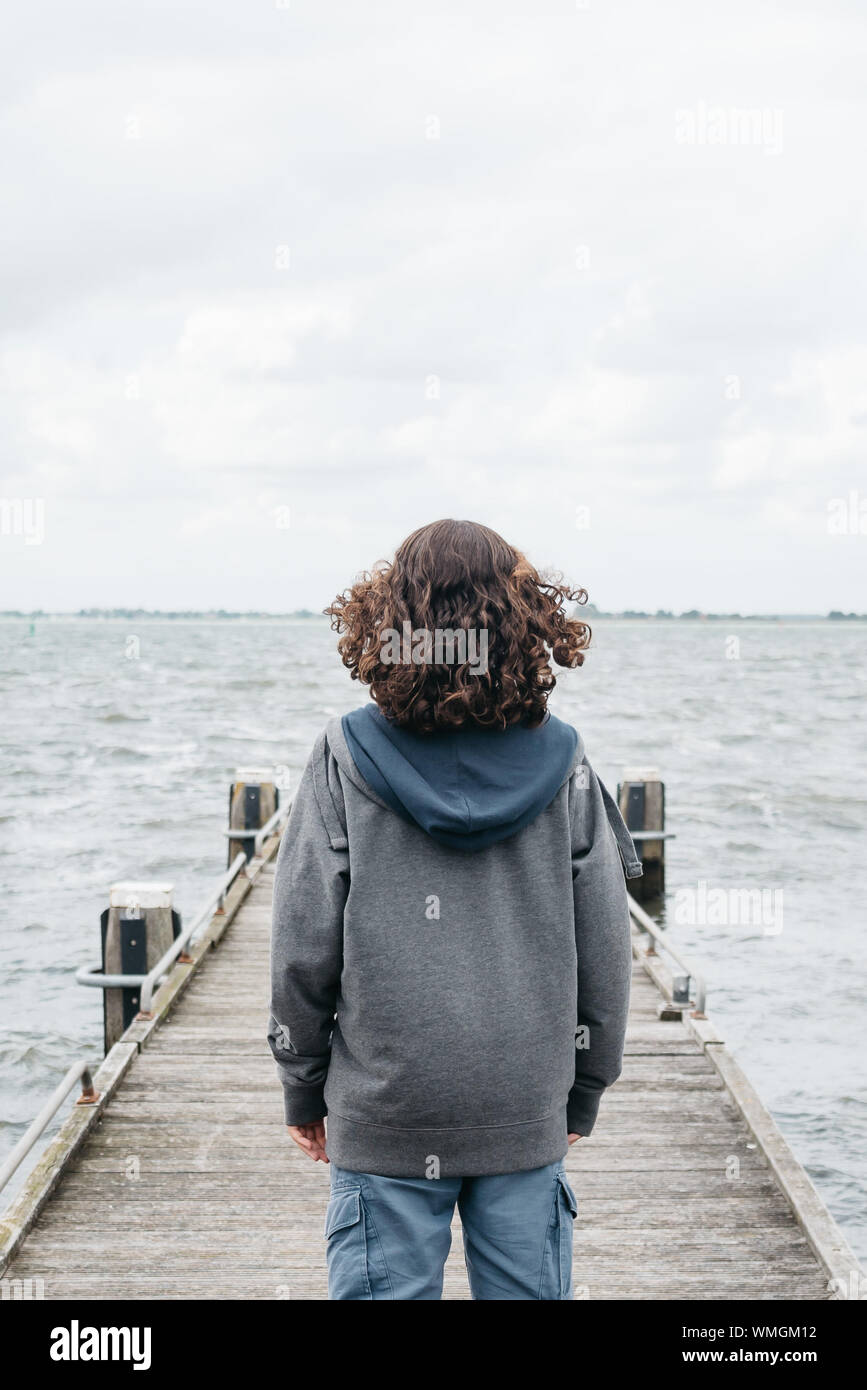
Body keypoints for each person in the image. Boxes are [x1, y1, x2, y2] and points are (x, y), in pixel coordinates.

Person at [268, 518, 641, 1300]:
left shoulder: (342, 754)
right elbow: (605, 946)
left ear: (387, 619)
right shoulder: (566, 761)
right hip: (521, 1104)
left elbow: (304, 942)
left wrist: (303, 1085)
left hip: (385, 1108)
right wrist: (586, 1086)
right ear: (523, 620)